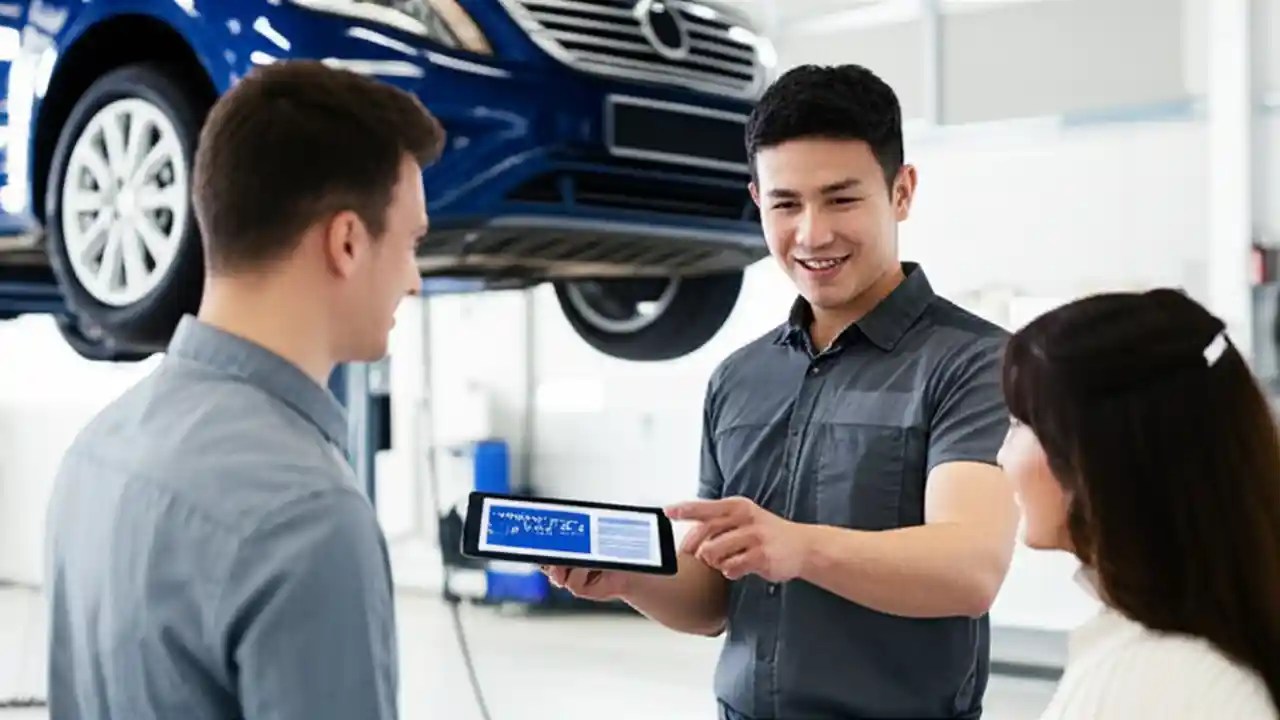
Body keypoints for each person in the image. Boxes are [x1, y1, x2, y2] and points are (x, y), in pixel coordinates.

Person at [544, 64, 1020, 719]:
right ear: (757, 200)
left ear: (902, 191)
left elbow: (968, 567)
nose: (812, 234)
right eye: (786, 204)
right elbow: (714, 600)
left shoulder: (973, 362)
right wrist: (630, 577)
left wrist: (800, 546)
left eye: (842, 198)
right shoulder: (738, 379)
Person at [43, 60, 444, 719]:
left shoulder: (96, 450)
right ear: (346, 241)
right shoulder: (308, 515)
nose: (414, 280)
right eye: (410, 244)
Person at [997, 289, 1280, 719]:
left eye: (1020, 425)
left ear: (1096, 459)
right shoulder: (1169, 661)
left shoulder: (1164, 680)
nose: (1002, 455)